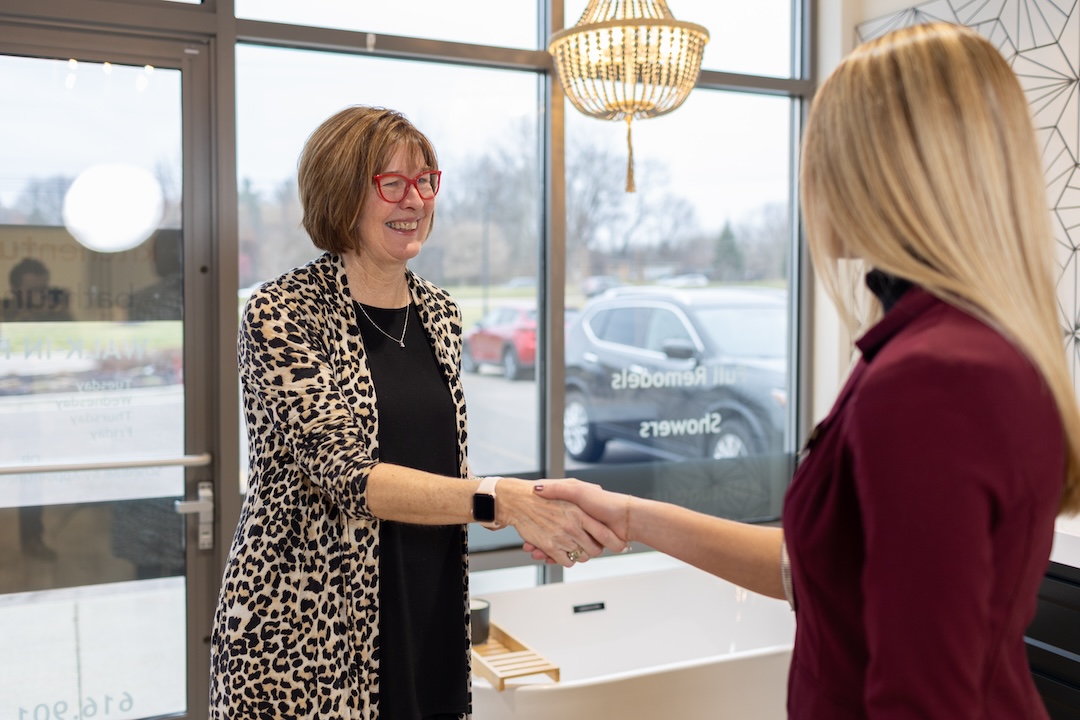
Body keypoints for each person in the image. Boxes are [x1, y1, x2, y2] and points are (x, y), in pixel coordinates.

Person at [528, 22, 1080, 719]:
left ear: (891, 170)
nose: (811, 180)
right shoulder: (953, 347)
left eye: (824, 151)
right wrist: (632, 514)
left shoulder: (930, 379)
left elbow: (923, 697)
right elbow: (819, 569)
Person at [209, 105, 625, 720]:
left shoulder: (439, 312)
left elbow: (434, 458)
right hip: (310, 628)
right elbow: (349, 475)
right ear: (342, 192)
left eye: (426, 180)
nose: (416, 199)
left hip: (427, 600)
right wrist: (500, 501)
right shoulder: (281, 313)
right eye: (392, 183)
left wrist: (531, 512)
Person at [3, 258, 73, 562]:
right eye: (32, 290)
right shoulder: (5, 313)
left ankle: (33, 538)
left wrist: (60, 311)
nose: (38, 295)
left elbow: (74, 344)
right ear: (16, 289)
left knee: (31, 477)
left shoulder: (54, 314)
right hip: (6, 404)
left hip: (33, 410)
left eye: (42, 289)